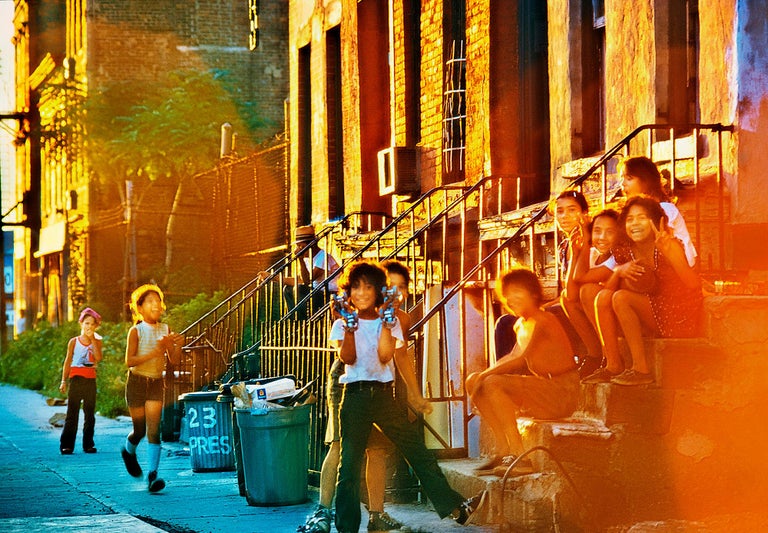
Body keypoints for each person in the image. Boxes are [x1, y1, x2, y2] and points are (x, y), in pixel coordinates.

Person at [331, 261, 484, 532]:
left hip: (382, 397)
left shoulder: (389, 322)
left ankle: (455, 508)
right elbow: (348, 357)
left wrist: (386, 324)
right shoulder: (342, 324)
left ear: (379, 291)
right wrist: (351, 327)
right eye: (355, 287)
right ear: (348, 292)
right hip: (353, 397)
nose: (361, 293)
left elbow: (385, 356)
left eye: (368, 287)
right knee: (349, 466)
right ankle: (346, 527)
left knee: (417, 451)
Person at [298, 260, 435, 533]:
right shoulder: (357, 313)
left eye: (400, 287)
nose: (395, 292)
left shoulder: (399, 319)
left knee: (378, 450)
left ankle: (377, 514)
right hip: (347, 382)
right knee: (340, 444)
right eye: (390, 286)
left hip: (380, 387)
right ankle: (323, 512)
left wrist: (415, 396)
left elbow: (400, 359)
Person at [467, 268, 580, 476]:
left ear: (534, 294)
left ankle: (521, 457)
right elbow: (511, 357)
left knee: (490, 382)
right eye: (506, 294)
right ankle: (503, 449)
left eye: (517, 292)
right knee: (473, 381)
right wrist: (479, 378)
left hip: (561, 392)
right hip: (543, 390)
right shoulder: (520, 324)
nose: (510, 299)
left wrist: (485, 376)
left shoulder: (541, 320)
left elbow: (517, 360)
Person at [588, 196, 702, 385]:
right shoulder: (625, 249)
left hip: (678, 313)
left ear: (657, 221)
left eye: (642, 218)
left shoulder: (669, 244)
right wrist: (618, 271)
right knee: (603, 297)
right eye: (630, 219)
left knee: (621, 298)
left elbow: (692, 284)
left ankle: (641, 369)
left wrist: (671, 253)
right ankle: (613, 364)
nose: (635, 224)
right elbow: (607, 293)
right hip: (652, 307)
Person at [494, 189, 591, 363]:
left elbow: (573, 294)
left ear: (584, 214)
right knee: (507, 322)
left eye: (572, 210)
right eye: (560, 211)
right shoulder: (564, 246)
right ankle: (511, 373)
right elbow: (564, 294)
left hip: (582, 311)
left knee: (513, 323)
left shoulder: (589, 243)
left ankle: (519, 373)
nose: (565, 216)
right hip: (566, 304)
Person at [121, 284, 183, 492]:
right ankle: (128, 452)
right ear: (139, 308)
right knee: (139, 430)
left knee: (154, 431)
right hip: (137, 383)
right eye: (149, 301)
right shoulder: (136, 331)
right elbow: (130, 361)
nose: (155, 304)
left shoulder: (165, 329)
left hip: (156, 383)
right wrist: (155, 351)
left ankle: (152, 476)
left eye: (157, 301)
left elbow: (173, 359)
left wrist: (177, 345)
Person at [561, 209, 620, 379]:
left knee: (587, 290)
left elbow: (580, 277)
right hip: (601, 313)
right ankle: (595, 354)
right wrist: (575, 252)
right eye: (597, 231)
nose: (602, 237)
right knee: (566, 298)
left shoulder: (616, 258)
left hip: (617, 316)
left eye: (610, 232)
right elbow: (571, 294)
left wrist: (585, 242)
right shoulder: (595, 254)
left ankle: (609, 356)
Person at [619, 156, 697, 267]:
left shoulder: (665, 209)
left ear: (645, 180)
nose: (622, 184)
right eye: (622, 178)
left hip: (678, 268)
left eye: (629, 178)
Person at [259, 225, 340, 319]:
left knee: (300, 289)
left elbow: (307, 281)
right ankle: (295, 320)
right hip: (316, 293)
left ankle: (304, 321)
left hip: (329, 295)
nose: (299, 249)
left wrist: (300, 260)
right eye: (298, 246)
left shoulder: (323, 257)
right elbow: (299, 279)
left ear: (311, 245)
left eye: (301, 246)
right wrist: (272, 277)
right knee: (288, 289)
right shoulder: (308, 257)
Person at [59, 307, 103, 455]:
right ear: (81, 324)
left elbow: (98, 358)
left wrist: (92, 340)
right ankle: (67, 445)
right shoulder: (74, 341)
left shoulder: (97, 341)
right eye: (86, 323)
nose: (89, 327)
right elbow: (67, 361)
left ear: (96, 326)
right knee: (72, 413)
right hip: (76, 379)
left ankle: (88, 444)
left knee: (89, 413)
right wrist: (63, 381)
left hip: (90, 380)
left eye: (92, 324)